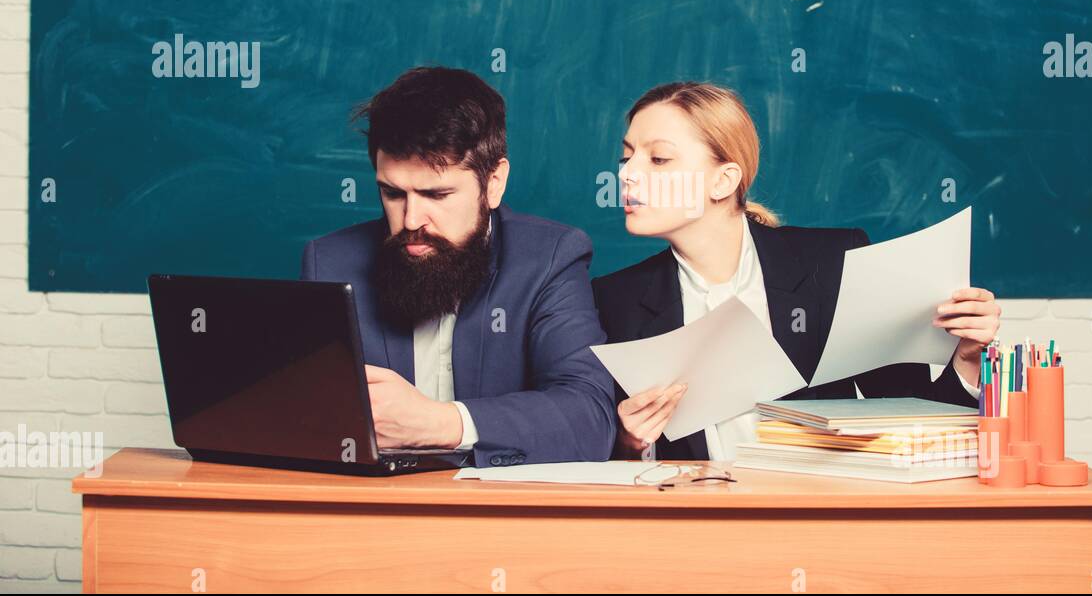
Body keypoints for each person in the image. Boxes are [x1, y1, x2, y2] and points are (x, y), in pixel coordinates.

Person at [591, 81, 1002, 461]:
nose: (627, 174)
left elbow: (916, 417)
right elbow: (599, 456)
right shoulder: (613, 299)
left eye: (658, 158)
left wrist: (966, 360)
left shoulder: (833, 264)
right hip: (700, 527)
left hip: (825, 522)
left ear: (723, 181)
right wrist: (626, 439)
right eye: (627, 158)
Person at [300, 66, 617, 467]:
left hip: (502, 519)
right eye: (393, 193)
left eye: (438, 194)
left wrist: (441, 423)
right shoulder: (328, 262)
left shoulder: (550, 257)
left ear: (495, 182)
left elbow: (589, 418)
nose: (412, 219)